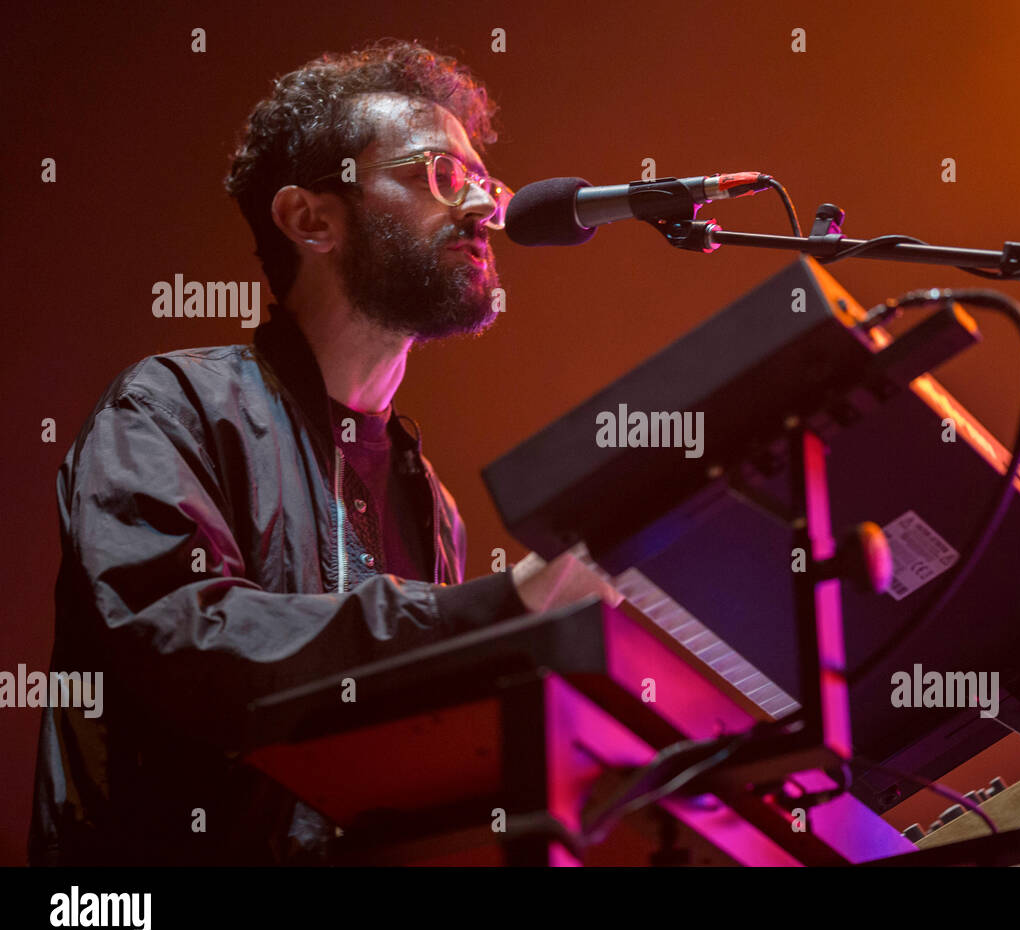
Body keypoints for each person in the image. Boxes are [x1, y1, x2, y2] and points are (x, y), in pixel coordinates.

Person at [29, 39, 615, 866]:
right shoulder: (167, 408)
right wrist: (490, 609)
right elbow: (189, 642)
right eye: (440, 176)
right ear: (312, 220)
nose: (485, 209)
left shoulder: (427, 498)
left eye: (485, 182)